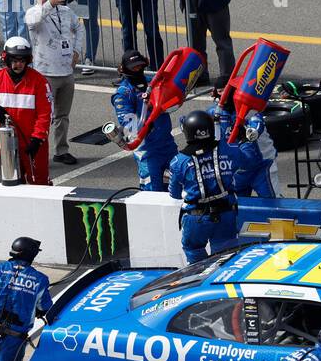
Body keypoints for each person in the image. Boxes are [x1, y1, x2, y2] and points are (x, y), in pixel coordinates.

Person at [0, 37, 53, 185]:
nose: (19, 65)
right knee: (12, 182)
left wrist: (37, 139)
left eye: (22, 61)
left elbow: (46, 115)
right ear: (7, 59)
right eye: (15, 60)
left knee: (40, 182)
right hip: (5, 143)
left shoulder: (40, 82)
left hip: (33, 144)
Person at [25, 0, 85, 166]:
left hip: (66, 72)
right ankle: (36, 150)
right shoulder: (33, 12)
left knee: (62, 116)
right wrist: (49, 4)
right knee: (42, 116)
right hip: (45, 74)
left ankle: (61, 150)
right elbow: (34, 22)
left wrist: (77, 51)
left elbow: (79, 28)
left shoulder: (66, 12)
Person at [169, 111, 240, 263]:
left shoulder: (178, 161)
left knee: (194, 255)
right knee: (226, 258)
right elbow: (245, 163)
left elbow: (174, 193)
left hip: (197, 217)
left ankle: (201, 282)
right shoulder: (228, 150)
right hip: (226, 213)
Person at [112, 50, 176, 191]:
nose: (137, 69)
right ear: (124, 68)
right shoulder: (123, 93)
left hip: (168, 145)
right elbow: (128, 123)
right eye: (133, 67)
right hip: (147, 151)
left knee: (175, 188)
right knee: (153, 191)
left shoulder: (153, 83)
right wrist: (146, 125)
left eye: (139, 66)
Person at [212, 91, 279, 197]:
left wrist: (250, 132)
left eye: (225, 90)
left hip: (263, 166)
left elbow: (257, 123)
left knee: (274, 206)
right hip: (236, 170)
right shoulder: (213, 113)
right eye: (219, 91)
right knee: (237, 209)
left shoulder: (248, 108)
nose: (222, 95)